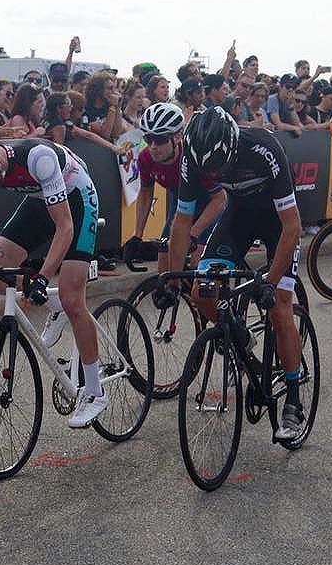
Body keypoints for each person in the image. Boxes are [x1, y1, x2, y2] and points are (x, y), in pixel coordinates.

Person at [0, 127, 105, 427]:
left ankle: (94, 391)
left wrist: (41, 277)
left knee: (71, 297)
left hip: (78, 201)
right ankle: (54, 308)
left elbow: (64, 227)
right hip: (41, 200)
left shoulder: (38, 158)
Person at [160, 106, 306, 442]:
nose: (214, 172)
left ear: (231, 145)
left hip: (277, 220)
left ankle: (293, 402)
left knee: (279, 307)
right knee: (201, 292)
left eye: (219, 166)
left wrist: (271, 281)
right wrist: (173, 276)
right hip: (238, 215)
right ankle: (242, 342)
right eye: (207, 169)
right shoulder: (192, 159)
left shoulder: (262, 147)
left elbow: (292, 225)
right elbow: (182, 221)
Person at [126, 102, 189, 270]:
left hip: (208, 203)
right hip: (180, 204)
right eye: (148, 139)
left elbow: (218, 198)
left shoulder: (190, 155)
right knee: (164, 268)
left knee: (200, 270)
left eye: (160, 139)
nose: (153, 146)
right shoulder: (145, 158)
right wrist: (137, 235)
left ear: (177, 137)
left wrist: (195, 235)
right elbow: (146, 193)